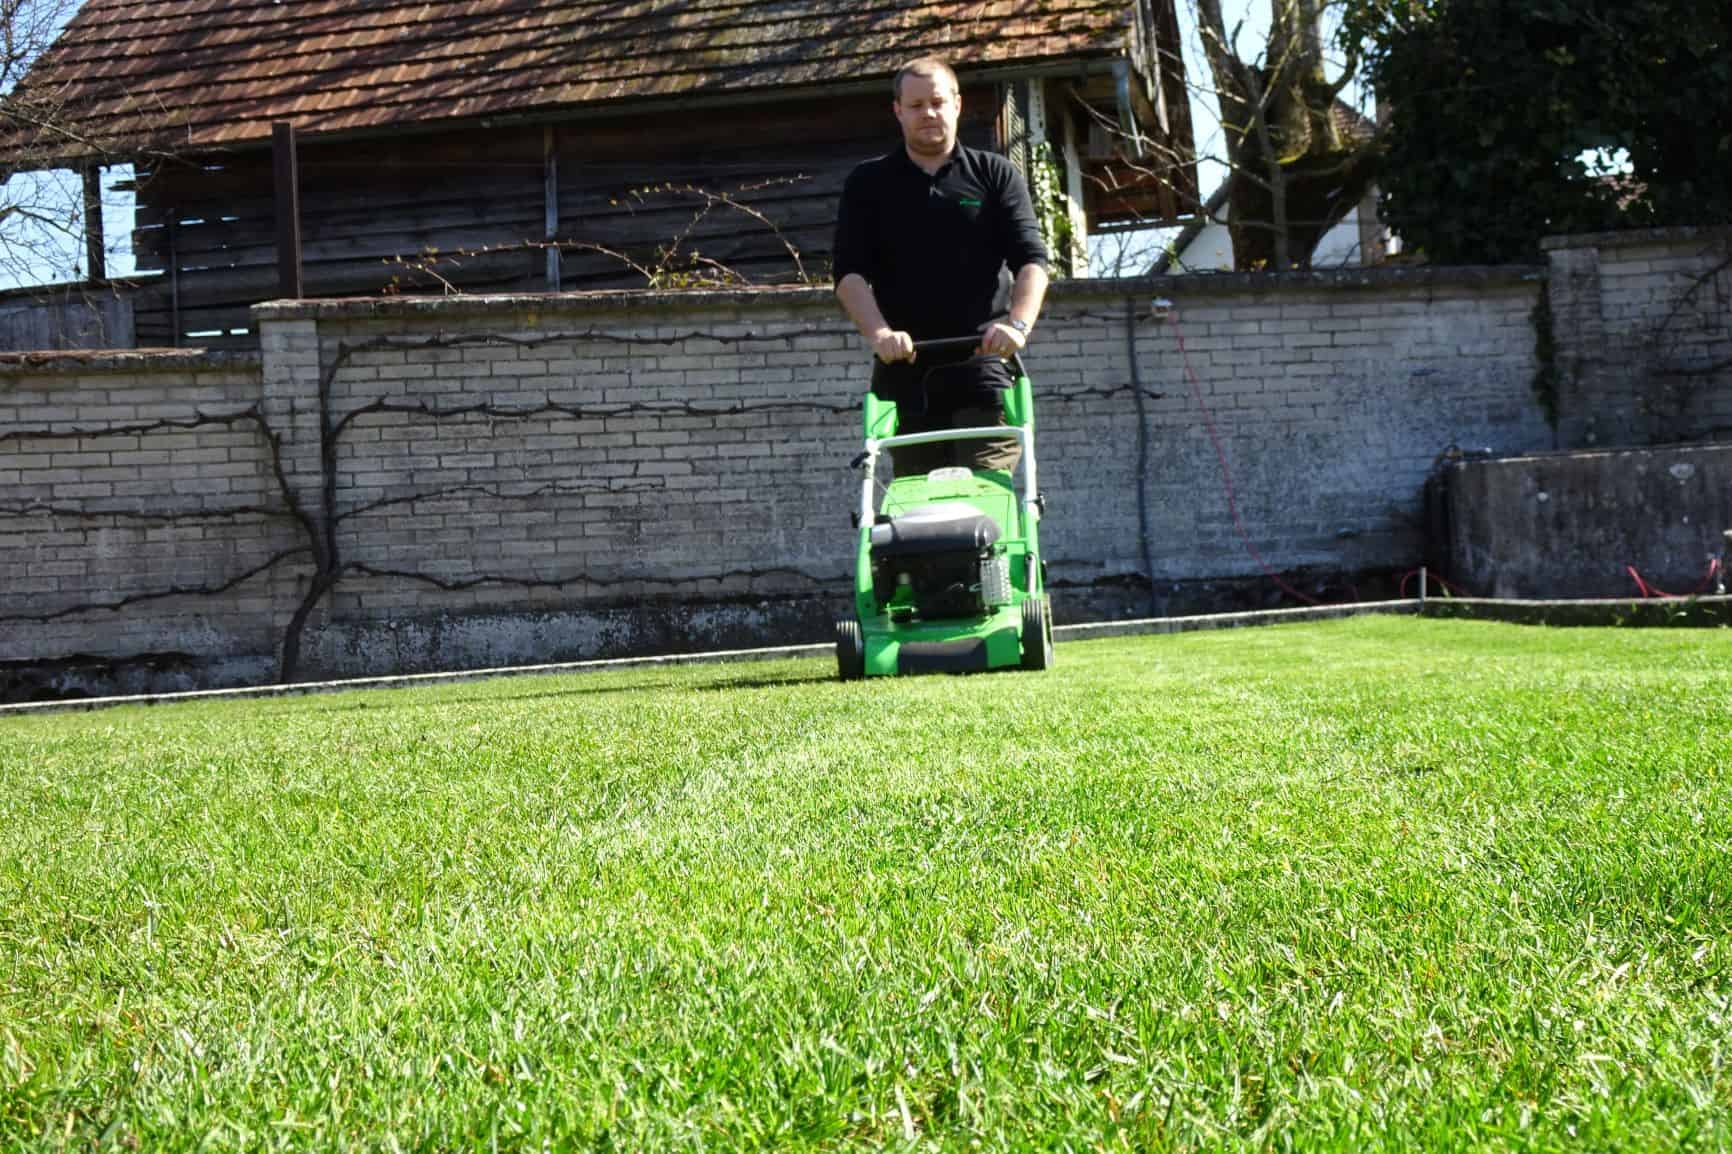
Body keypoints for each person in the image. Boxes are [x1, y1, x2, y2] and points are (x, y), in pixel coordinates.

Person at [833, 56, 1050, 476]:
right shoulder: (868, 184)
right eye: (915, 106)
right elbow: (849, 274)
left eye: (937, 101)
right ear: (898, 111)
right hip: (906, 378)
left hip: (983, 371)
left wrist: (1018, 326)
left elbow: (1032, 260)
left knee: (987, 503)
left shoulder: (995, 174)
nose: (928, 113)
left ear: (957, 104)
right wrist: (880, 333)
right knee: (917, 521)